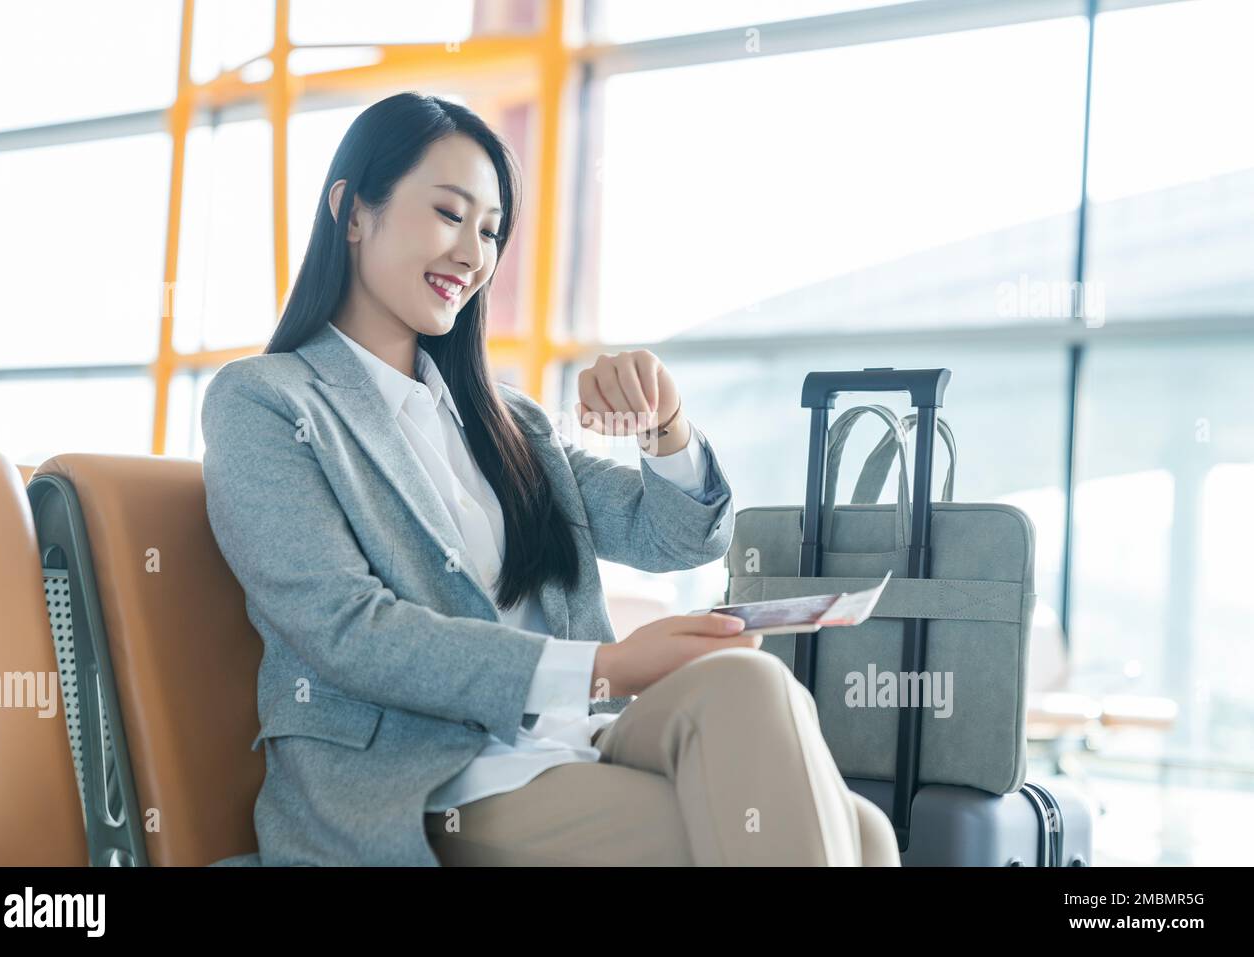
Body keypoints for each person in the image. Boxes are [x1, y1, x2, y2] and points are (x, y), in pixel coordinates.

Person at [200, 91, 898, 866]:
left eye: (491, 230)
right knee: (827, 835)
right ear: (352, 211)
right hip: (426, 786)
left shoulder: (509, 423)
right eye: (448, 213)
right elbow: (348, 633)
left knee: (760, 700)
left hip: (575, 741)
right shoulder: (265, 401)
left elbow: (677, 536)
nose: (473, 253)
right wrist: (606, 666)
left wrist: (664, 425)